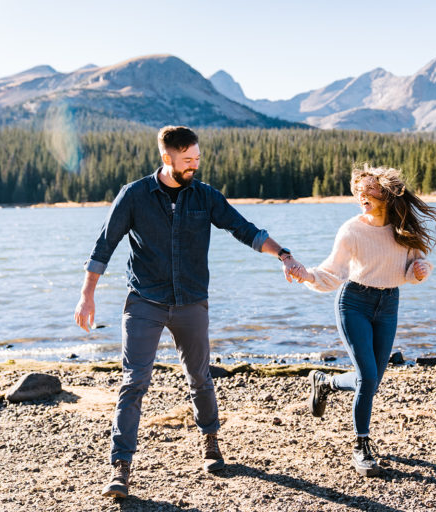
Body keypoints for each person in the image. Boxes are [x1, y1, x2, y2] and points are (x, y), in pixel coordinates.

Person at [74, 125, 305, 498]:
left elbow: (244, 229)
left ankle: (211, 441)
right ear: (167, 158)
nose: (194, 166)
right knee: (133, 382)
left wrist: (284, 254)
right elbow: (104, 245)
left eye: (197, 159)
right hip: (144, 302)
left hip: (191, 302)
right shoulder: (134, 195)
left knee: (199, 376)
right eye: (187, 161)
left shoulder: (205, 196)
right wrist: (87, 295)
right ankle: (120, 468)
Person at [291, 164, 436, 476]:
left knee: (371, 380)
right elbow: (333, 272)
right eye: (359, 190)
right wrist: (306, 275)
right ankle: (361, 446)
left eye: (369, 190)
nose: (362, 195)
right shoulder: (352, 230)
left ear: (387, 194)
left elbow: (412, 268)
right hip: (354, 303)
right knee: (368, 378)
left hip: (388, 304)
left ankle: (325, 382)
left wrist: (420, 272)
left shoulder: (402, 228)